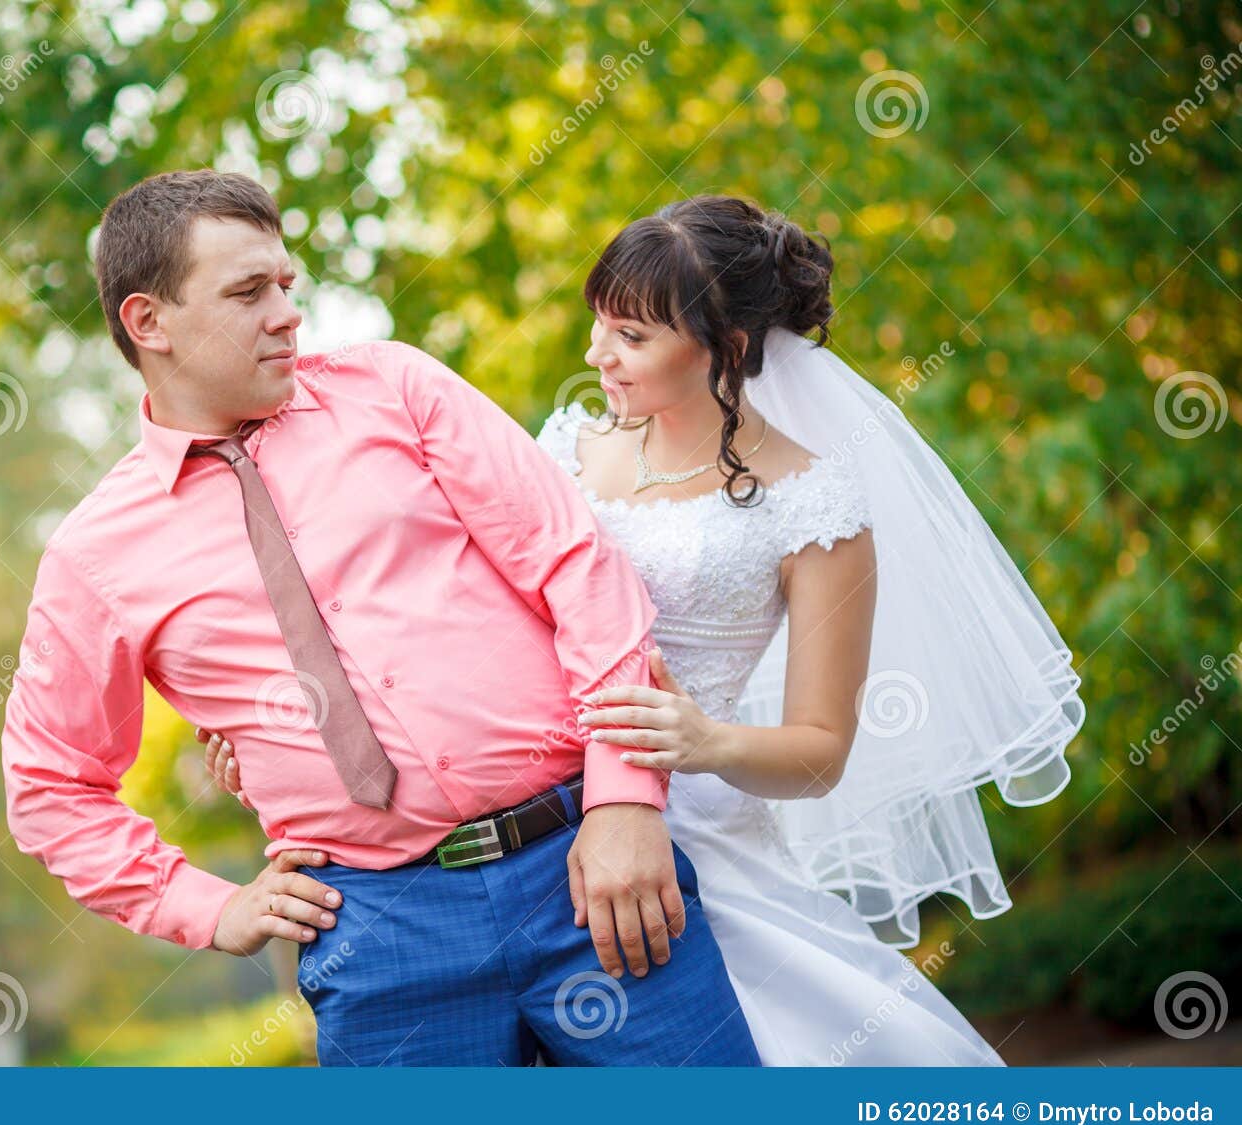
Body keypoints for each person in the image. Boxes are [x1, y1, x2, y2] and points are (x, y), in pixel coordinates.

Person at [205, 194, 1083, 1065]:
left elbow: (820, 753)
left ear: (726, 349)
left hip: (703, 831)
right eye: (600, 326)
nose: (598, 355)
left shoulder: (818, 509)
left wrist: (704, 740)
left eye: (631, 337)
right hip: (542, 817)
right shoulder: (564, 449)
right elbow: (438, 620)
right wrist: (296, 735)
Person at [0, 169, 760, 1067]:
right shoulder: (96, 555)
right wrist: (206, 905)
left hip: (589, 870)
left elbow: (578, 569)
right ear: (147, 322)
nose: (286, 313)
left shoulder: (396, 388)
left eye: (286, 284)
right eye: (248, 292)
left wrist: (626, 799)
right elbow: (52, 787)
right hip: (379, 938)